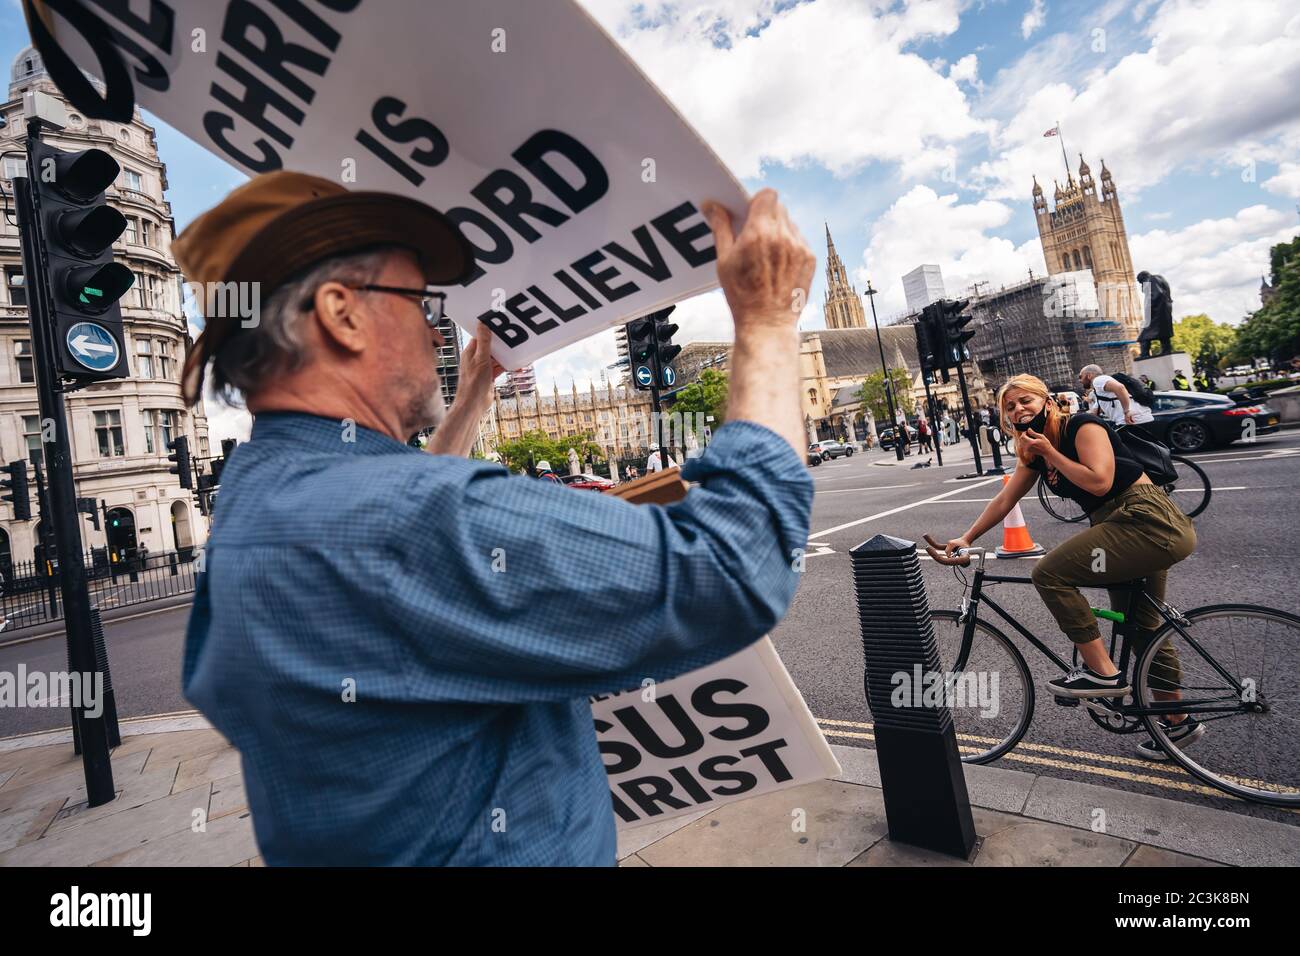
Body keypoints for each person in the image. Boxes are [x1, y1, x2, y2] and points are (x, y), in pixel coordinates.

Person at [175, 174, 816, 865]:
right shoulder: (405, 517)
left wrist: (472, 397)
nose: (432, 330)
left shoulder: (251, 501)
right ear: (342, 313)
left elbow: (393, 567)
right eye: (419, 302)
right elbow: (734, 564)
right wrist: (768, 321)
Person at [935, 374, 1199, 759]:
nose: (1018, 410)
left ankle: (1103, 675)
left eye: (1025, 400)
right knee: (1141, 628)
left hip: (1145, 520)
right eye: (1009, 407)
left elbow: (1099, 480)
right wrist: (967, 537)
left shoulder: (1081, 426)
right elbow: (1005, 499)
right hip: (1119, 526)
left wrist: (1051, 453)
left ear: (1046, 401)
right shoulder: (1036, 453)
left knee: (1050, 573)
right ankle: (1177, 721)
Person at [1078, 364, 1156, 437]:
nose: (1079, 380)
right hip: (1142, 420)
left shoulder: (1098, 380)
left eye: (1080, 377)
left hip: (1132, 423)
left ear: (1089, 375)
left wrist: (1127, 411)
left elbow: (1120, 388)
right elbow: (1095, 412)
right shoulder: (1101, 393)